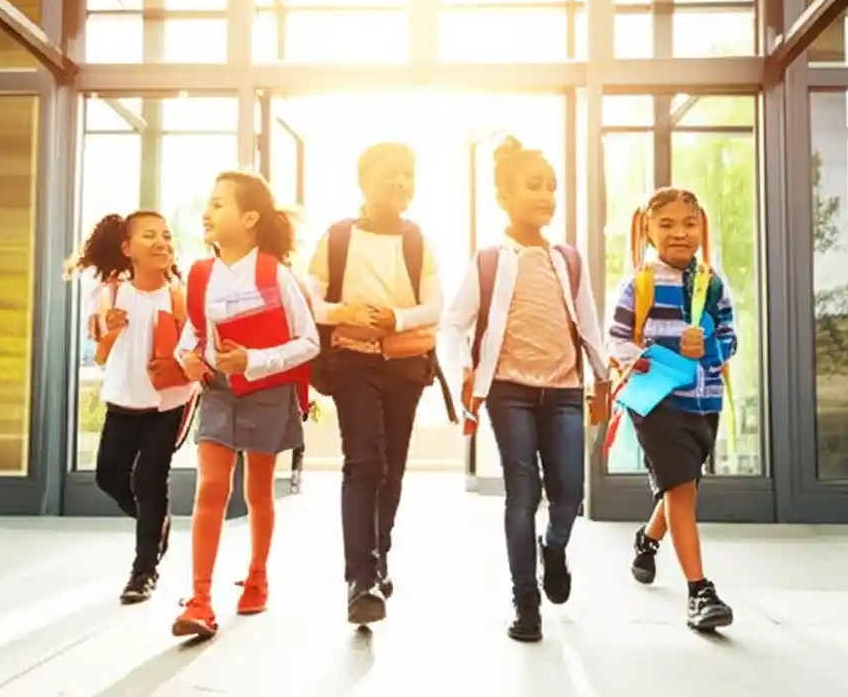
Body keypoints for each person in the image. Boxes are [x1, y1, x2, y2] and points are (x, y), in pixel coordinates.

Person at [439, 137, 611, 642]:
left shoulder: (567, 259)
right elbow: (452, 324)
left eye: (552, 187)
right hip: (509, 392)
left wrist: (602, 377)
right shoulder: (491, 260)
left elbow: (589, 323)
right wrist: (462, 378)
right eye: (534, 185)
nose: (546, 195)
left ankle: (553, 548)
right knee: (522, 492)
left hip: (562, 389)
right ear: (503, 195)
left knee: (569, 492)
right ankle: (525, 602)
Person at [305, 142, 450, 627]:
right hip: (352, 363)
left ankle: (378, 555)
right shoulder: (338, 238)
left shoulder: (417, 240)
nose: (402, 184)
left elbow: (435, 305)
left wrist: (397, 317)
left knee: (392, 467)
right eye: (391, 174)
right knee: (363, 462)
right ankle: (360, 579)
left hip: (405, 367)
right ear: (363, 181)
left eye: (408, 175)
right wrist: (340, 312)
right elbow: (309, 298)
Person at [170, 171, 319, 640]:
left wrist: (254, 360)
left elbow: (309, 342)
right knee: (210, 488)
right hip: (217, 391)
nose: (207, 213)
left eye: (218, 204)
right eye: (208, 205)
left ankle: (257, 576)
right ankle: (200, 600)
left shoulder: (276, 273)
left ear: (250, 217)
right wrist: (188, 360)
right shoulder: (199, 275)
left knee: (258, 492)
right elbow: (190, 337)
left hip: (268, 394)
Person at [607, 186, 736, 632]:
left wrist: (711, 347)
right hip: (658, 403)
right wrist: (659, 350)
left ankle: (648, 539)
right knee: (681, 488)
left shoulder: (713, 283)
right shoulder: (638, 284)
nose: (680, 233)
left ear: (701, 228)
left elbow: (730, 339)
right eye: (667, 224)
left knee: (684, 486)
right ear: (648, 231)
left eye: (689, 223)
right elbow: (617, 340)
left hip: (705, 401)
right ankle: (700, 591)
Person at [65, 210, 193, 605]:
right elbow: (101, 355)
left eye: (167, 236)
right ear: (127, 249)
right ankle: (155, 525)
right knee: (108, 476)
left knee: (150, 482)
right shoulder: (109, 293)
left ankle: (143, 571)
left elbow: (192, 351)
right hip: (123, 400)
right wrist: (110, 329)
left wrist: (179, 363)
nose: (162, 243)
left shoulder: (178, 295)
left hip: (166, 403)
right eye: (150, 236)